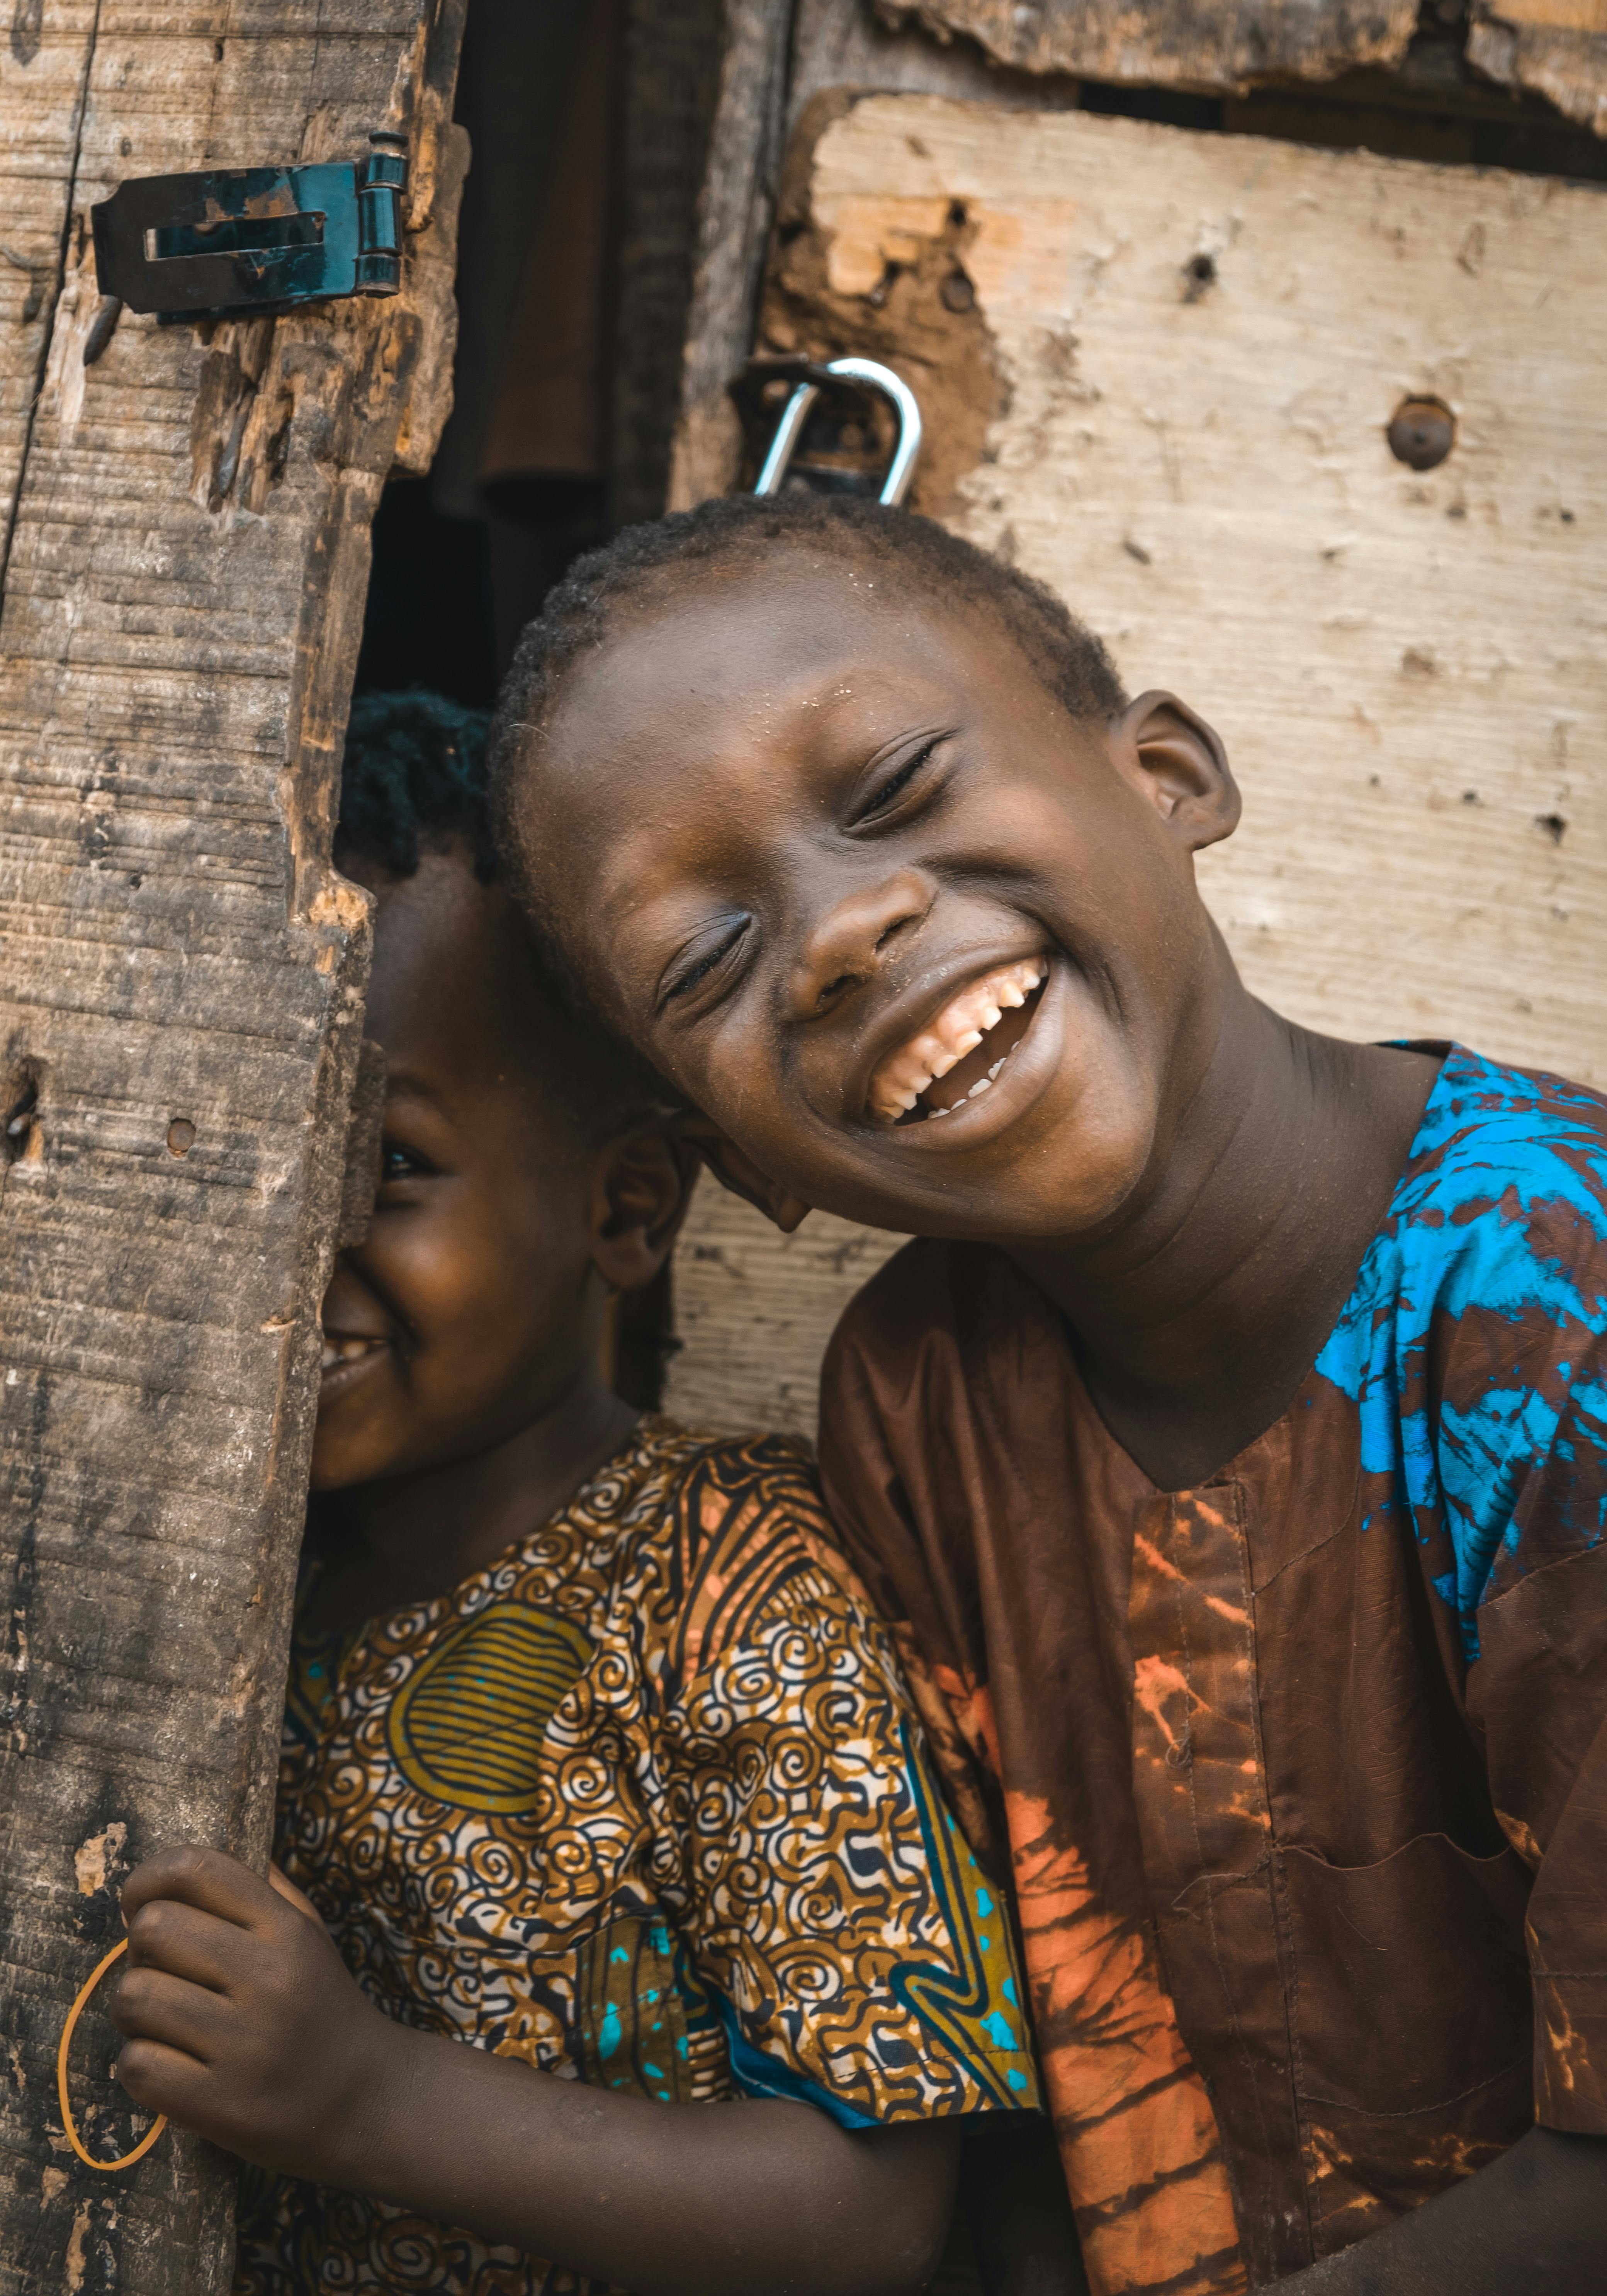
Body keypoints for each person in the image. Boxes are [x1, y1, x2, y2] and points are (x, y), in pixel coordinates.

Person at [486, 496, 1607, 2296]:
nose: (842, 935)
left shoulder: (1549, 1298)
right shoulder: (924, 1408)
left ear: (1164, 775)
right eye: (706, 962)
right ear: (733, 1166)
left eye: (895, 785)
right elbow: (1032, 2123)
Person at [109, 689, 1042, 2296]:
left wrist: (364, 2098)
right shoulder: (172, 1591)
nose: (281, 1236)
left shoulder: (727, 1576)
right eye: (213, 1156)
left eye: (380, 1165)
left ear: (623, 1207)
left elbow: (875, 2208)